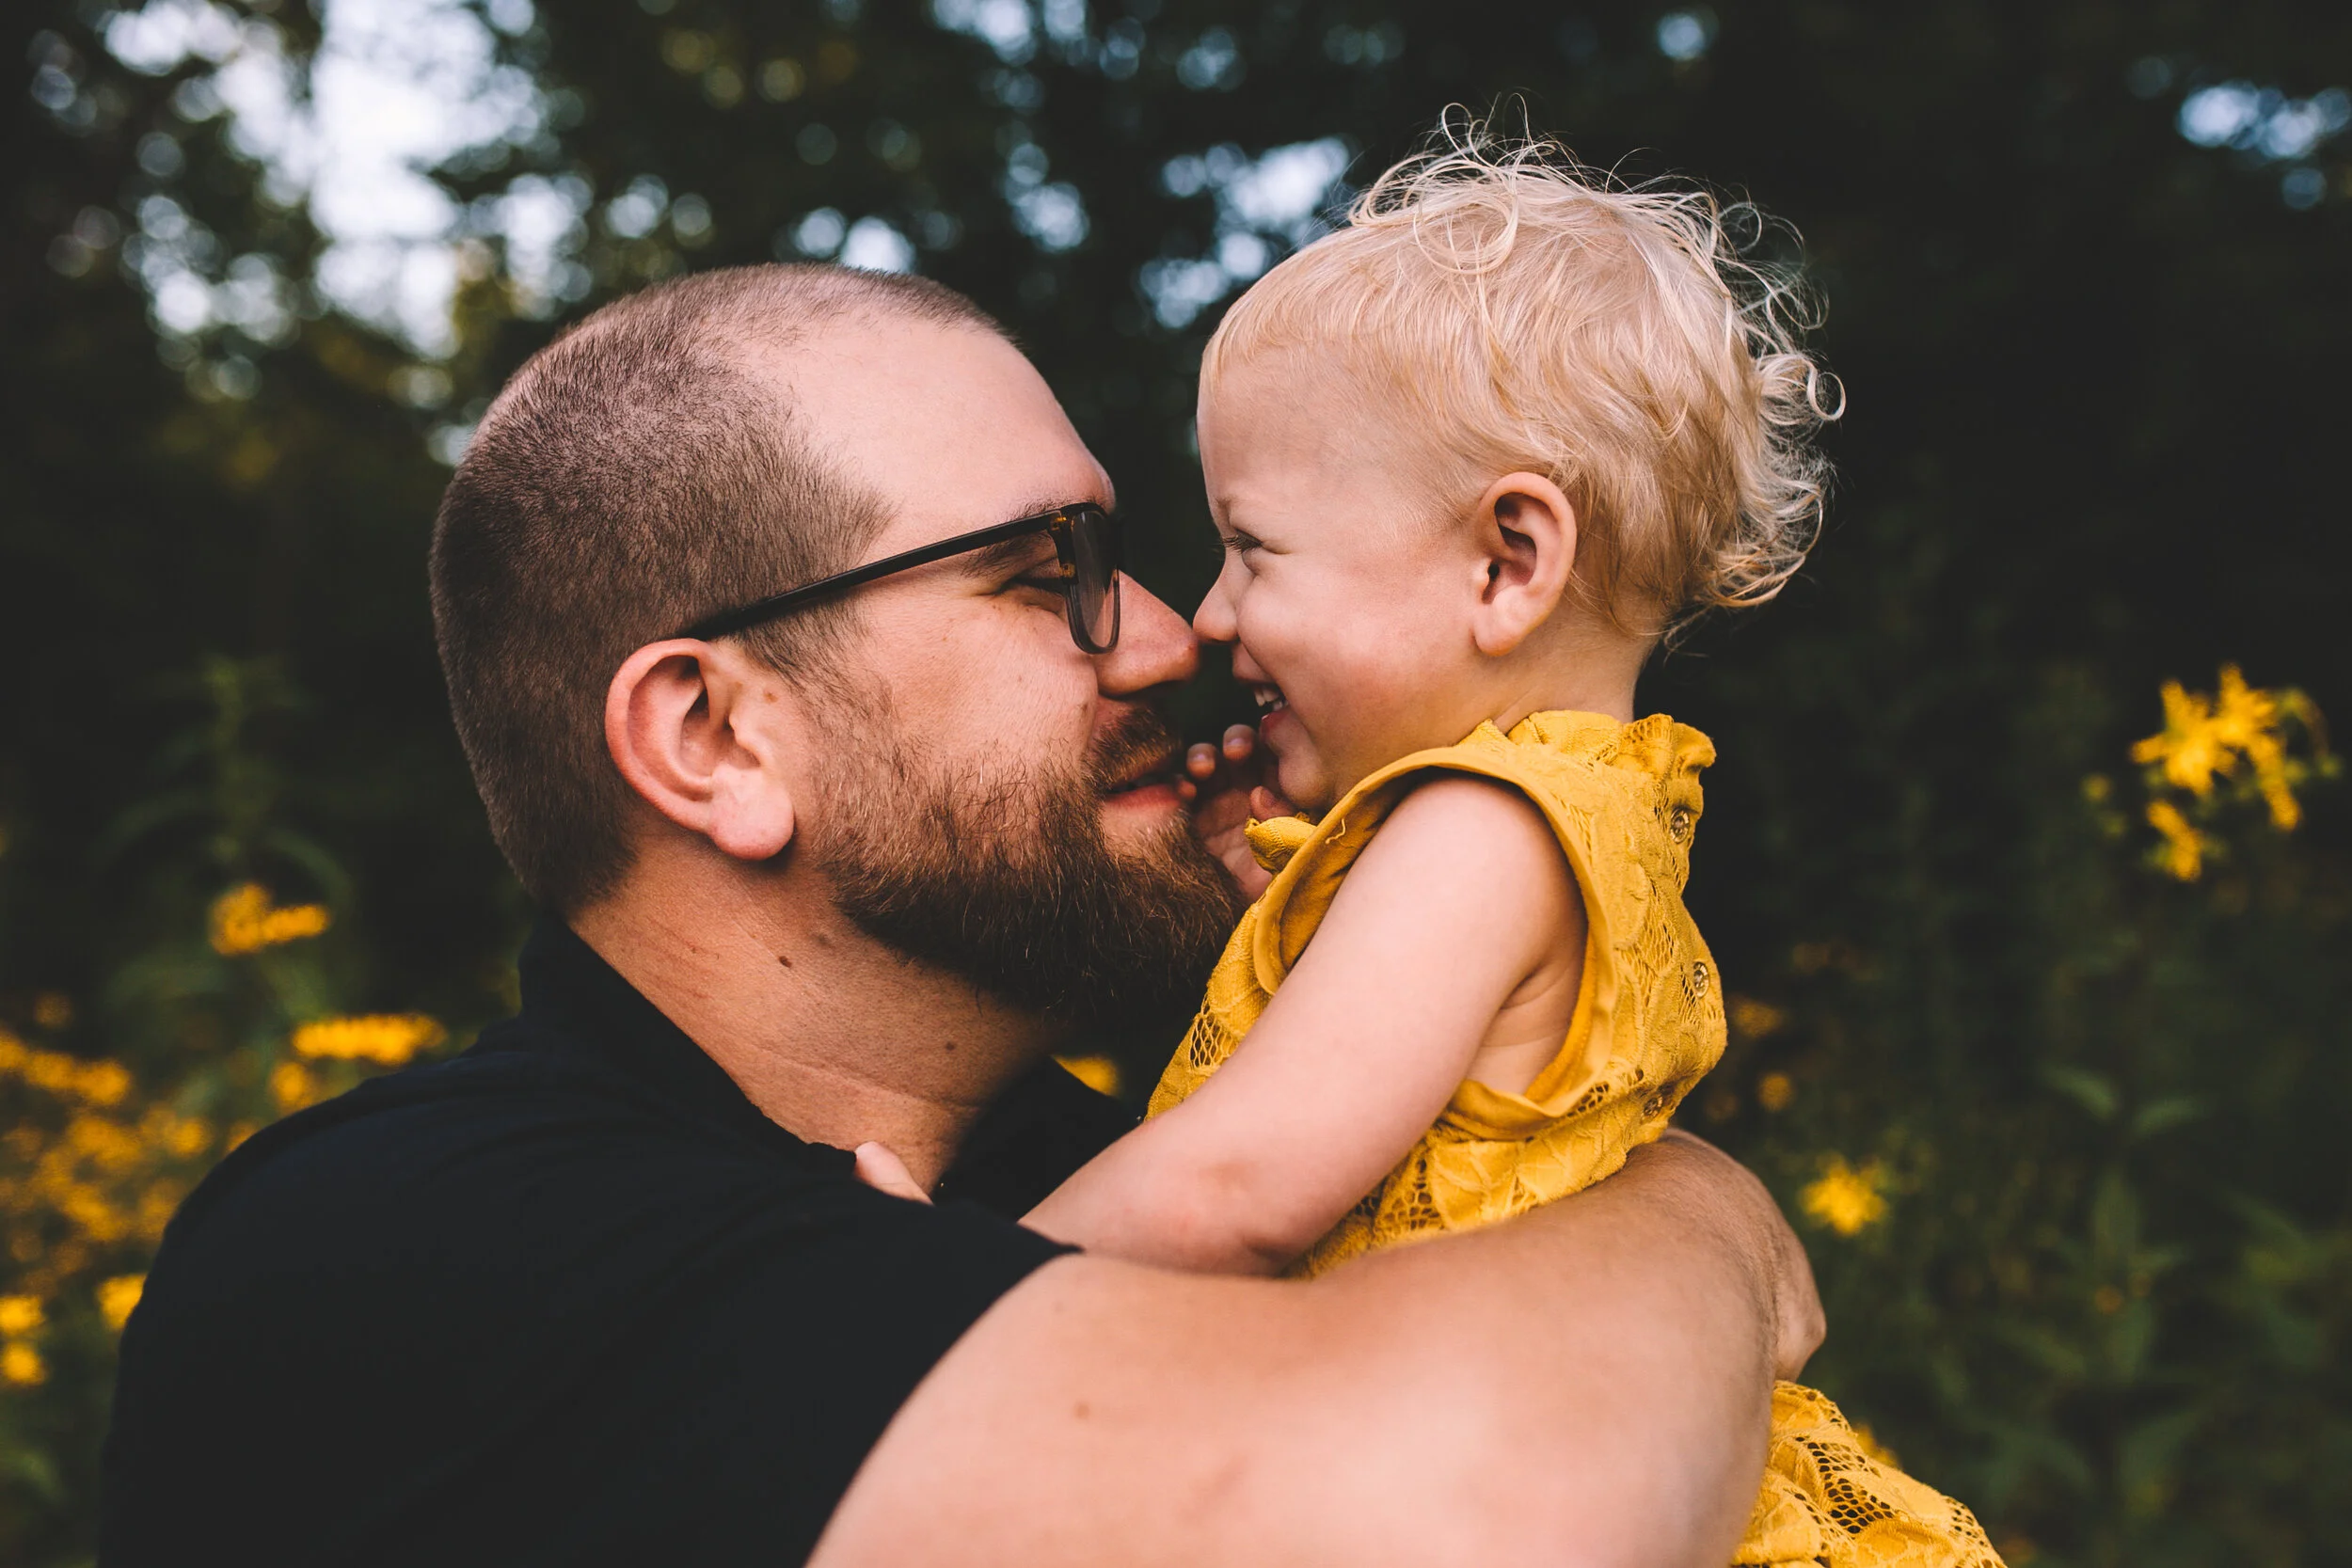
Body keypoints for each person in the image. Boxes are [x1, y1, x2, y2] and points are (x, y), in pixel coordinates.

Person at [101, 261, 1821, 1566]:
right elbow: (1490, 1517)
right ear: (716, 737)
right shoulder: (401, 1244)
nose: (1170, 637)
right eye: (1044, 571)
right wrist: (1716, 1227)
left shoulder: (1077, 1175)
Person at [992, 134, 1999, 1568]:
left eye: (1254, 548)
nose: (1211, 617)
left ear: (1506, 562)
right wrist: (1284, 911)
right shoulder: (1588, 802)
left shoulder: (1479, 826)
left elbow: (1242, 1183)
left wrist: (951, 1291)